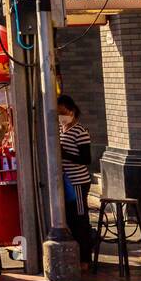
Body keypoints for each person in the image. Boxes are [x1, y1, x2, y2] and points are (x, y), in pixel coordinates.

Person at [57, 93, 94, 267]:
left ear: (71, 111)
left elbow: (86, 159)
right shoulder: (60, 130)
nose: (60, 116)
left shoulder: (80, 131)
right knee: (71, 218)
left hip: (78, 182)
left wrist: (65, 154)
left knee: (80, 218)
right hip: (65, 181)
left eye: (63, 112)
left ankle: (86, 258)